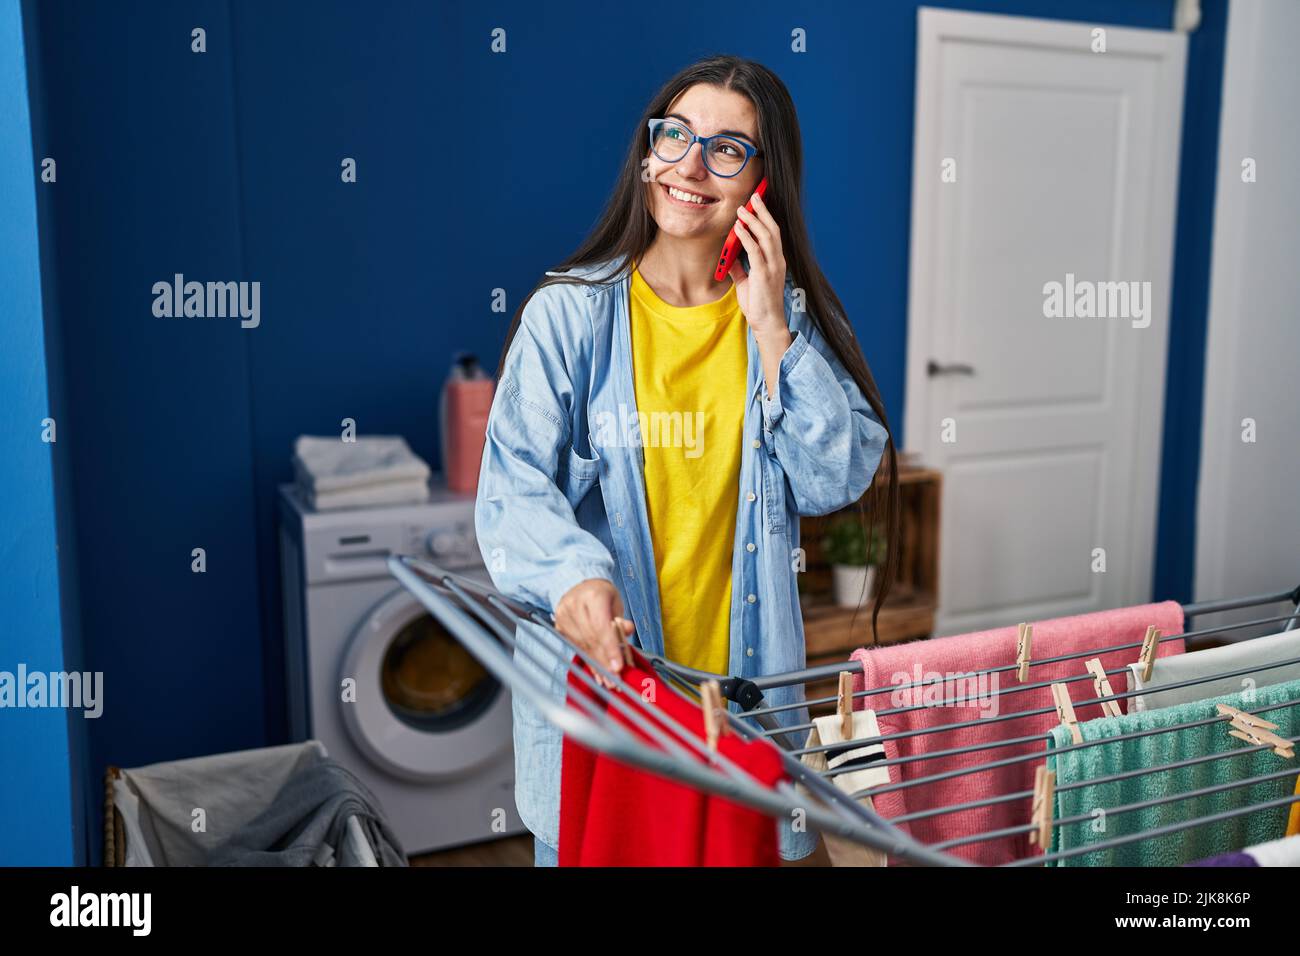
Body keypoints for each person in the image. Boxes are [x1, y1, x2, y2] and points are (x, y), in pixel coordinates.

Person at [474, 55, 900, 867]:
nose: (691, 166)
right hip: (606, 704)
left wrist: (772, 326)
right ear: (647, 154)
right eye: (676, 137)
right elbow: (511, 490)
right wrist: (572, 577)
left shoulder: (777, 324)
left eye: (727, 149)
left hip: (737, 721)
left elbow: (834, 478)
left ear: (763, 185)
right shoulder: (568, 317)